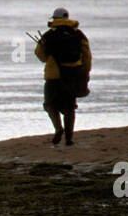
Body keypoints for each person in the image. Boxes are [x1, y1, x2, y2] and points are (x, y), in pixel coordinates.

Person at [34, 7, 91, 145]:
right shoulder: (78, 34)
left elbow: (40, 54)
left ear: (54, 19)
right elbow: (87, 56)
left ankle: (58, 129)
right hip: (72, 74)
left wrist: (49, 57)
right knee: (70, 108)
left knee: (49, 104)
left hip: (53, 75)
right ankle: (69, 138)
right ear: (67, 18)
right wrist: (85, 73)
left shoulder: (48, 35)